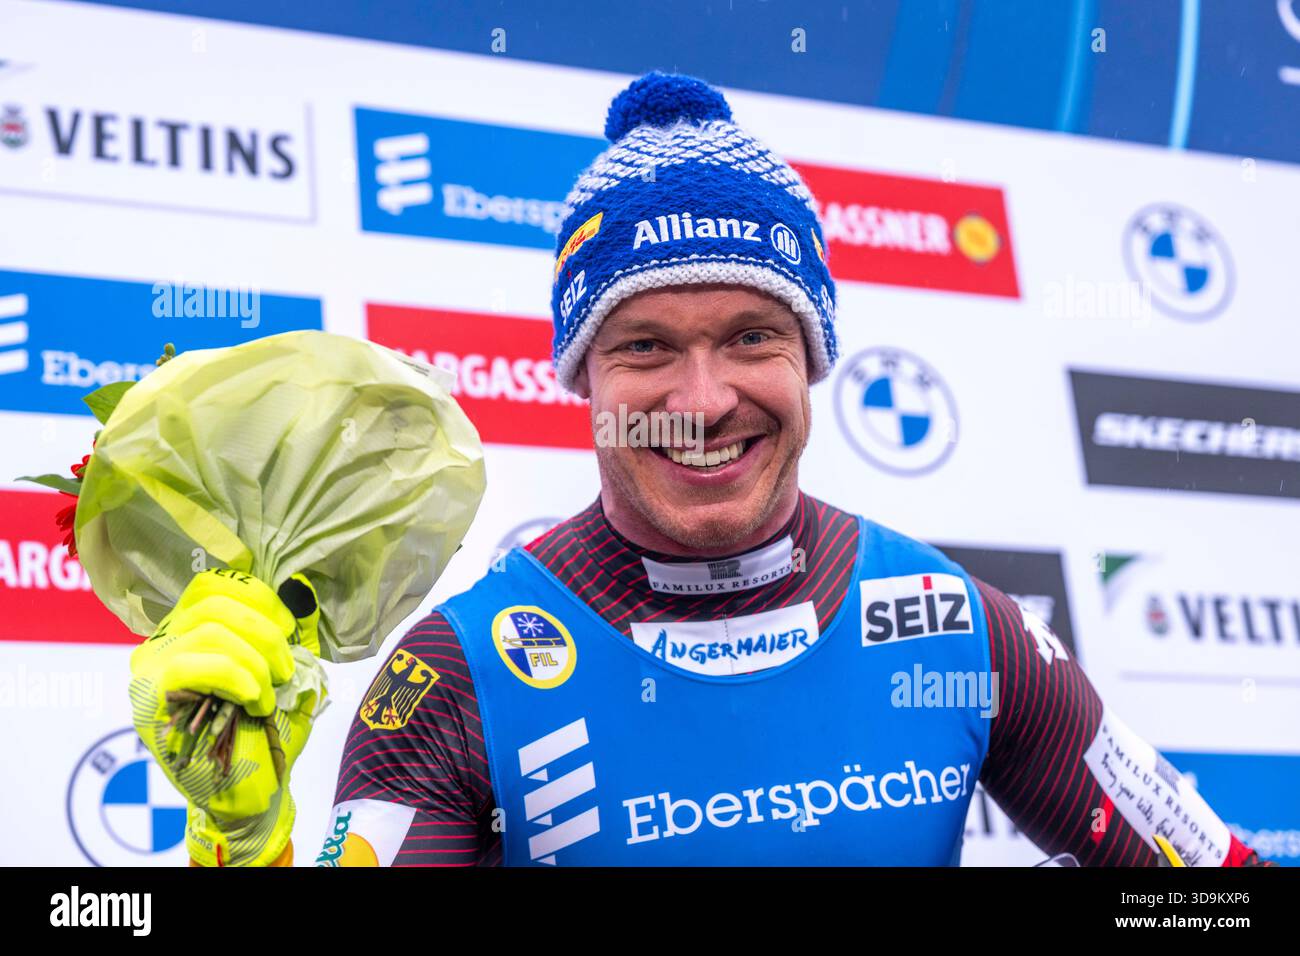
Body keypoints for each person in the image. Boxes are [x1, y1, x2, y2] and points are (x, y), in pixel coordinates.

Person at [140, 72, 1271, 867]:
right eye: (644, 346)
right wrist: (242, 850)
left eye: (750, 336)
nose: (700, 399)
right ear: (584, 381)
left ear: (810, 355)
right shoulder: (455, 675)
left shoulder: (951, 625)